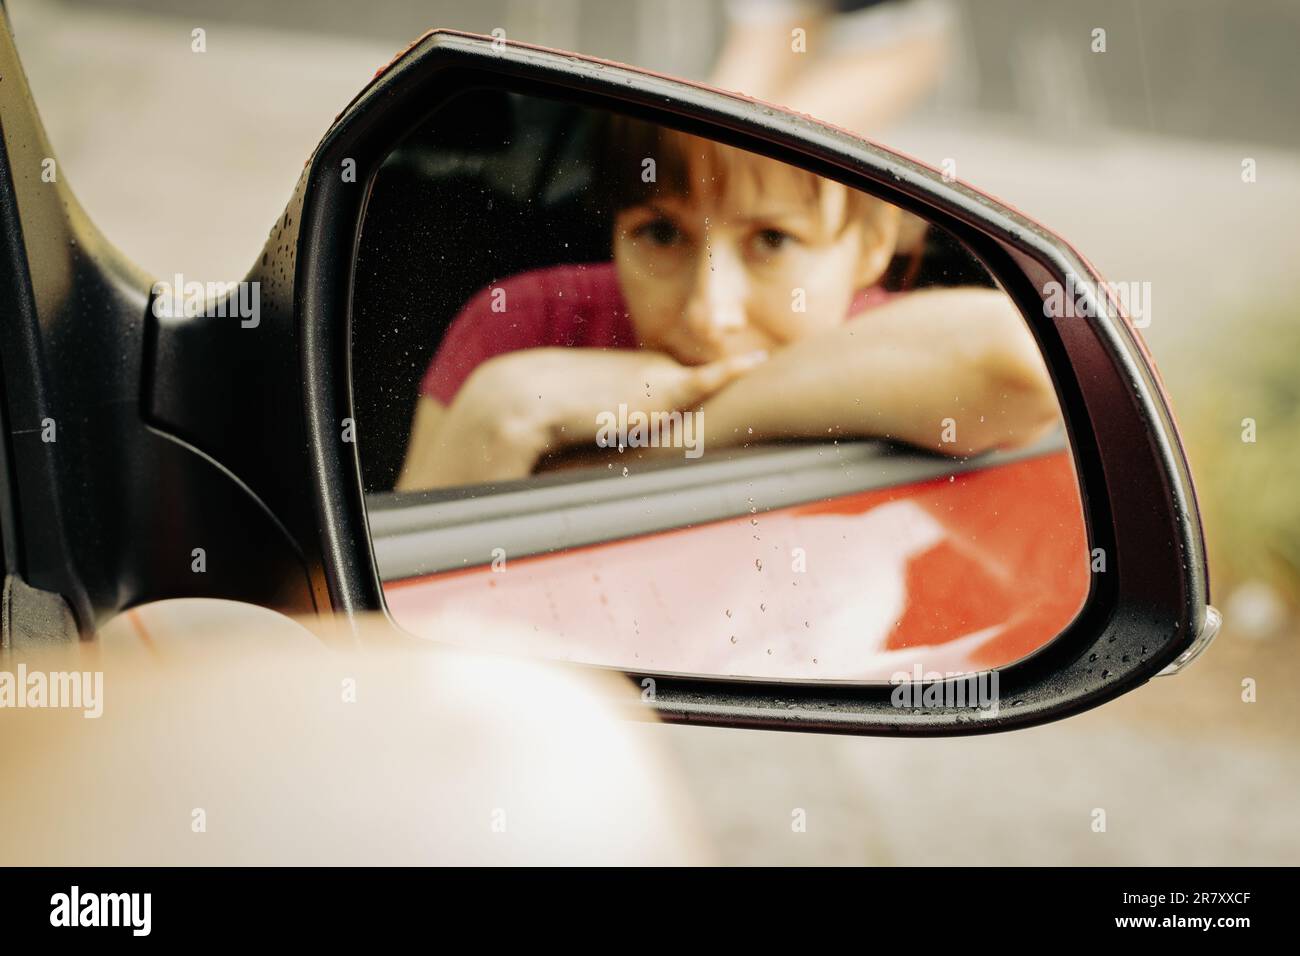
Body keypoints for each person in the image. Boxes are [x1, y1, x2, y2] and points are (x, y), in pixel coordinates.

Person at [396, 121, 1058, 491]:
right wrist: (502, 409)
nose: (710, 313)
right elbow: (379, 624)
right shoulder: (527, 322)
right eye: (660, 233)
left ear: (871, 247)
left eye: (772, 240)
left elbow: (1026, 362)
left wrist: (677, 433)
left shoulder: (889, 343)